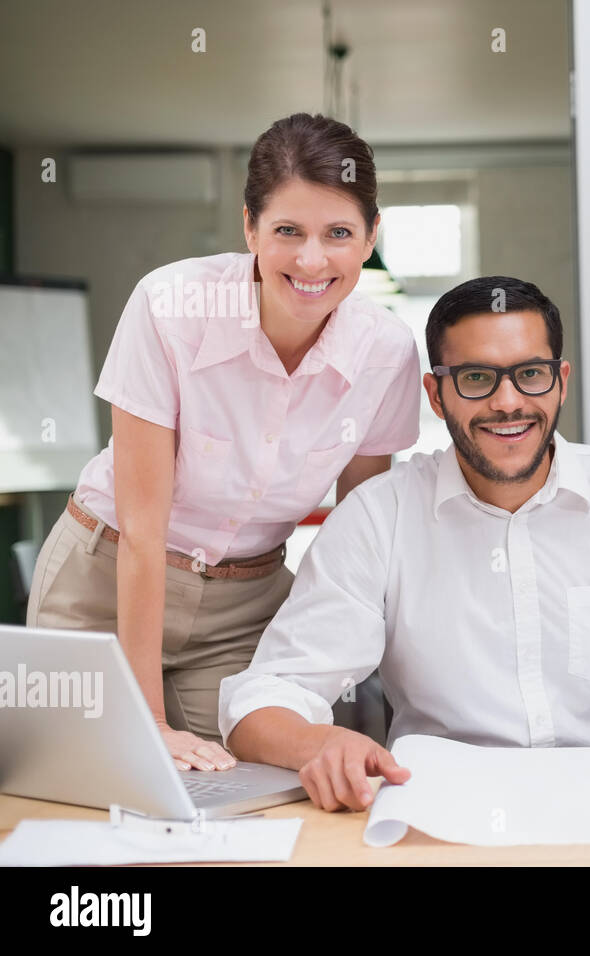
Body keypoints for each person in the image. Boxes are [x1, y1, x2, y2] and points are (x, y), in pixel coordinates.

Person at [218, 276, 590, 812]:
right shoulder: (378, 519)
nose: (508, 402)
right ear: (435, 394)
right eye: (477, 377)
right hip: (447, 816)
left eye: (530, 375)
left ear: (561, 381)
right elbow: (261, 703)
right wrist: (323, 742)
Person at [27, 113, 421, 772]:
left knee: (249, 790)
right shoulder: (170, 306)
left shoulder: (386, 351)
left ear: (371, 235)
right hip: (107, 578)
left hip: (246, 608)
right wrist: (146, 722)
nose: (312, 260)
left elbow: (361, 536)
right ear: (249, 228)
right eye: (287, 231)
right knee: (92, 783)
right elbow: (144, 534)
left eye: (339, 234)